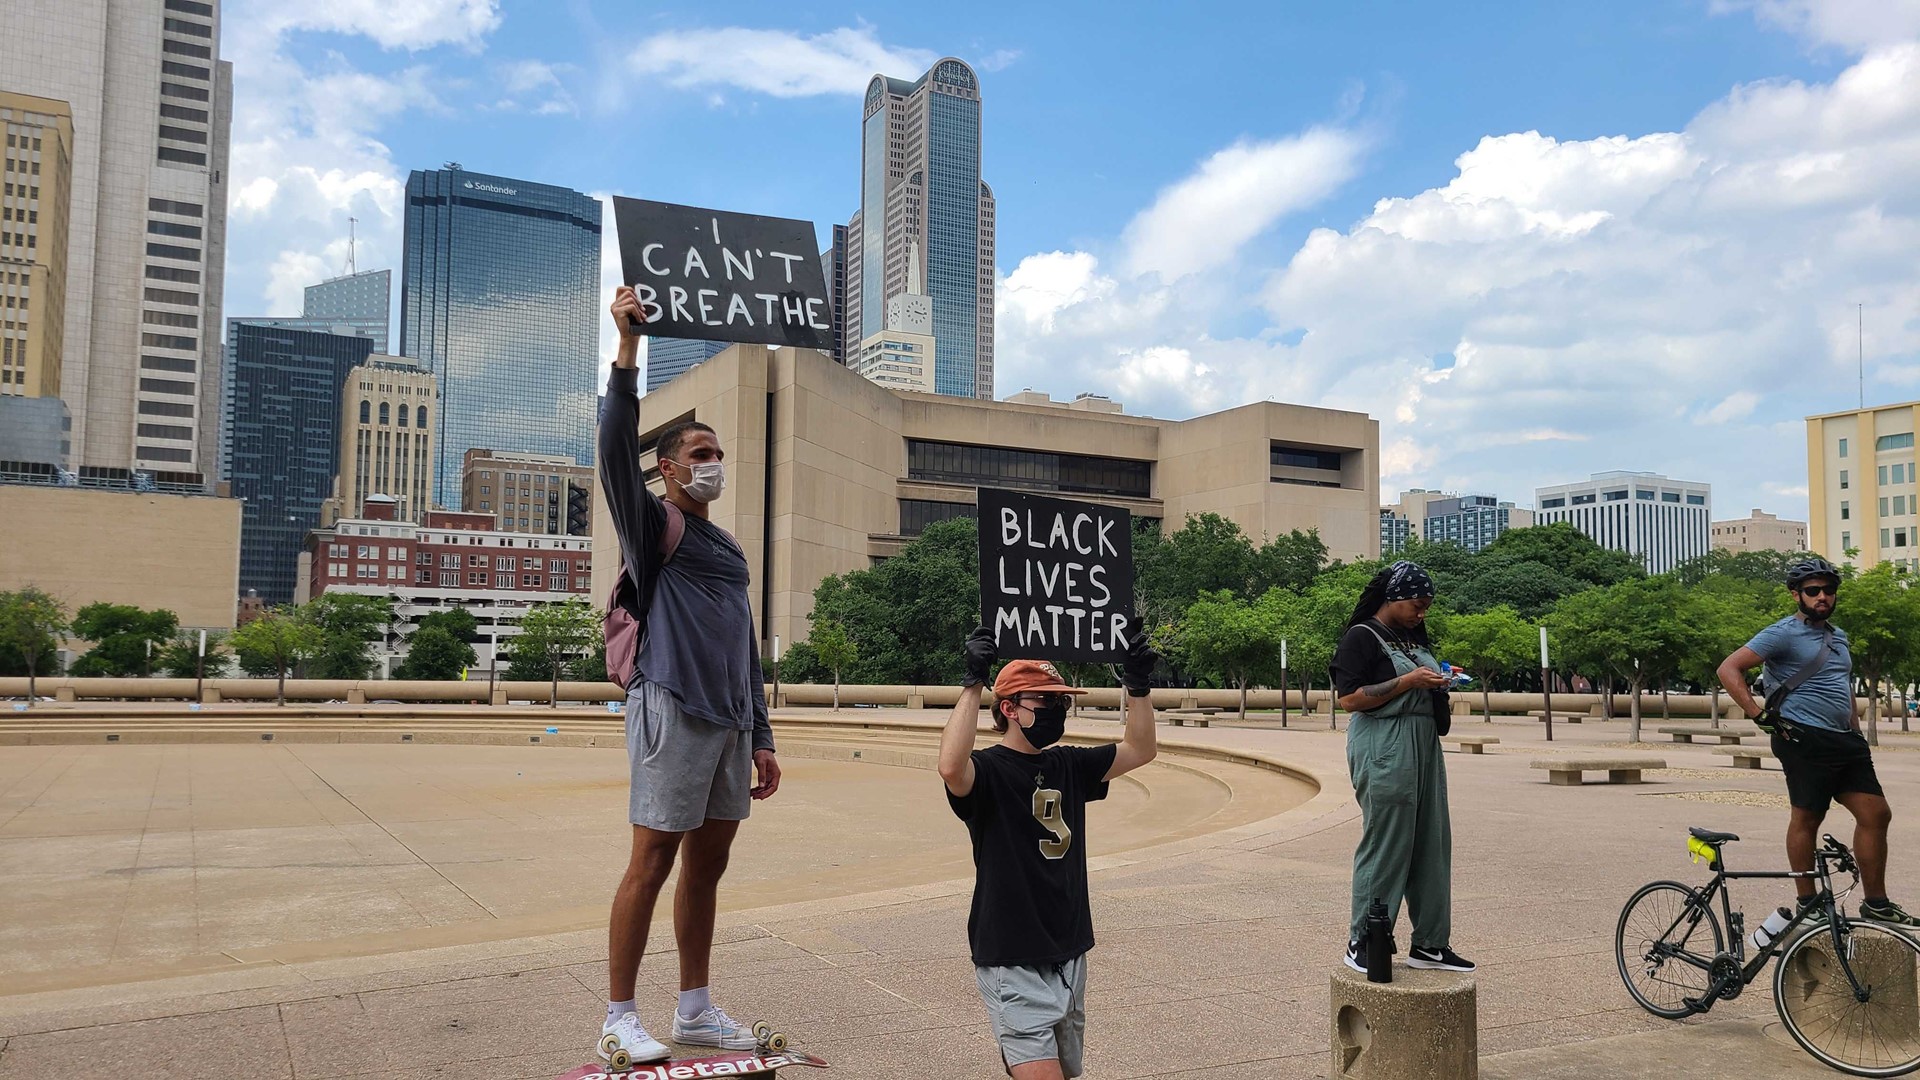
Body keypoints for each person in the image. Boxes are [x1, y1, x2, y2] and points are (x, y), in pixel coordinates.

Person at [596, 285, 782, 1065]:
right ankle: (618, 1015)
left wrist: (763, 734)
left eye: (717, 454)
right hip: (670, 705)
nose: (712, 464)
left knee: (708, 865)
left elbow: (743, 646)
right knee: (653, 860)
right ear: (668, 469)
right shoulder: (654, 525)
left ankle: (697, 1008)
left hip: (730, 720)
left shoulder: (732, 549)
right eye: (698, 455)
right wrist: (627, 351)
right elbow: (612, 449)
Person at [938, 623, 1159, 1080]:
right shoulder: (988, 771)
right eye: (1045, 700)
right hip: (1012, 955)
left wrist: (1138, 686)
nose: (1057, 709)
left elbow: (1140, 748)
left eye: (1062, 701)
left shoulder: (1069, 764)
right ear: (1010, 709)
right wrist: (973, 682)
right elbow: (950, 766)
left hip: (1068, 950)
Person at [1716, 556, 1917, 925]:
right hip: (1802, 737)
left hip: (1844, 741)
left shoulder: (1838, 637)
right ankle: (1808, 904)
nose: (1822, 596)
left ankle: (1876, 904)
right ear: (1797, 594)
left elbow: (1840, 687)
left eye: (1828, 590)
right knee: (1809, 817)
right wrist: (1758, 715)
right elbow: (1729, 668)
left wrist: (1855, 732)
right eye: (1813, 590)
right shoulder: (1781, 633)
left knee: (1876, 814)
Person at [1331, 560, 1474, 974]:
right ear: (1393, 597)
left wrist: (1441, 683)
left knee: (1432, 843)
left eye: (1427, 605)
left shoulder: (1412, 637)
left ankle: (1430, 944)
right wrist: (1408, 683)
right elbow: (1350, 699)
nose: (1422, 612)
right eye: (1418, 603)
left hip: (1424, 744)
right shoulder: (1362, 637)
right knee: (1387, 843)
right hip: (1384, 745)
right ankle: (1364, 939)